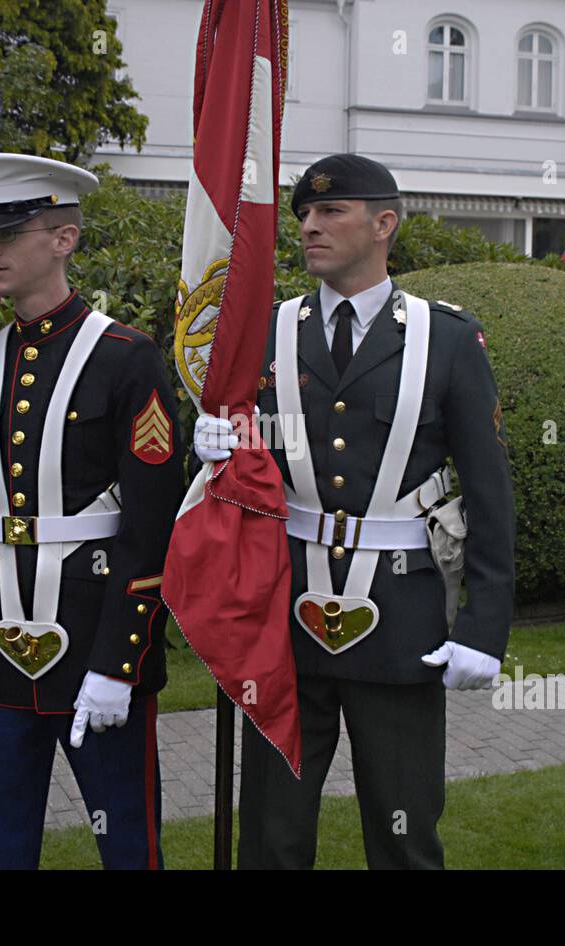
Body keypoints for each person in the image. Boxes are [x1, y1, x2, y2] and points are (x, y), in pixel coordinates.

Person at [194, 153, 515, 868]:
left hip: (403, 617)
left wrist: (484, 629)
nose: (310, 226)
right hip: (285, 616)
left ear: (383, 224)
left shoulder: (448, 338)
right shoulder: (267, 332)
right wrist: (212, 438)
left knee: (403, 836)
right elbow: (243, 459)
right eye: (304, 213)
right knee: (272, 838)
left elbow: (490, 492)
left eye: (330, 212)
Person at [0, 153, 184, 869]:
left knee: (126, 843)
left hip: (95, 638)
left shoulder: (127, 358)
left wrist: (119, 662)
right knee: (0, 845)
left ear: (63, 239)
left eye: (9, 232)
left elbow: (150, 527)